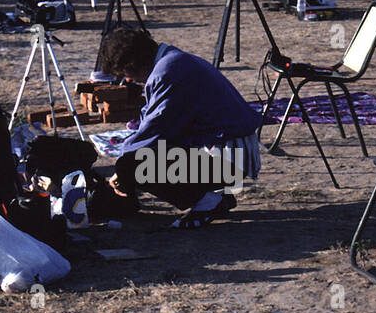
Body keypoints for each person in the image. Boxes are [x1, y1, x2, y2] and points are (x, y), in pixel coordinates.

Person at [100, 27, 261, 229]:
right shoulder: (171, 59)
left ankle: (207, 201)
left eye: (125, 74)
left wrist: (121, 168)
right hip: (229, 149)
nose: (128, 80)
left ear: (132, 65)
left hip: (229, 155)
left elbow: (154, 130)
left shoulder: (167, 71)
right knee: (140, 156)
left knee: (132, 163)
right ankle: (213, 196)